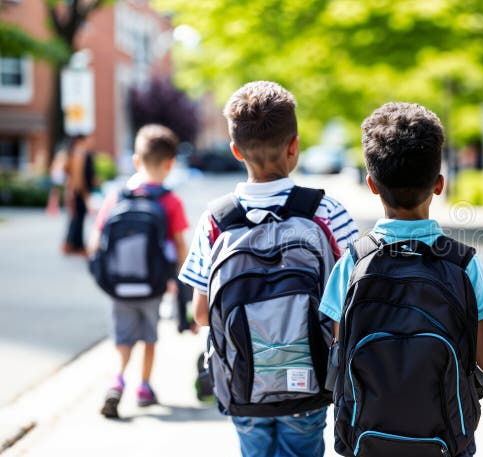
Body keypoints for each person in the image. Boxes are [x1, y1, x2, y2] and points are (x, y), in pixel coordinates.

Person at [179, 81, 359, 457]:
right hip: (310, 382)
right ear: (294, 146)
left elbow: (201, 313)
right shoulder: (327, 213)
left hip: (243, 385)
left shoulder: (216, 219)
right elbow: (355, 299)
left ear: (234, 150)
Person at [320, 102, 483, 457]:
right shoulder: (462, 264)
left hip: (366, 432)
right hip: (446, 433)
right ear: (439, 185)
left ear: (371, 184)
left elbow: (341, 349)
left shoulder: (353, 262)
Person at [89, 125, 189, 419]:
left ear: (136, 161)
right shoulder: (170, 201)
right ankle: (144, 386)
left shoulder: (116, 197)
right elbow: (181, 246)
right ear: (170, 164)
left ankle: (118, 379)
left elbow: (96, 242)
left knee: (123, 338)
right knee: (149, 336)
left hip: (118, 285)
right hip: (154, 285)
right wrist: (182, 280)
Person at [62, 135, 97, 255]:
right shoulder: (79, 154)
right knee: (77, 218)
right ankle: (75, 245)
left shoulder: (75, 153)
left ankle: (73, 244)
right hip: (78, 191)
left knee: (76, 218)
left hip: (76, 190)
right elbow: (78, 177)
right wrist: (84, 193)